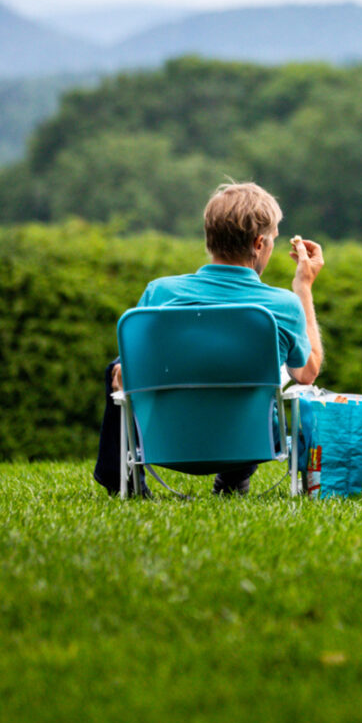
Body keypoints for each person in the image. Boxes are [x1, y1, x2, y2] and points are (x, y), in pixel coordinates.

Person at [94, 181, 324, 496]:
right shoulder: (283, 305)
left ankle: (123, 480)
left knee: (120, 365)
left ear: (209, 238)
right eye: (272, 241)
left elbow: (129, 375)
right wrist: (303, 288)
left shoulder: (160, 292)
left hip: (163, 441)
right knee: (254, 374)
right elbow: (306, 374)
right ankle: (232, 479)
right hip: (247, 443)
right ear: (259, 244)